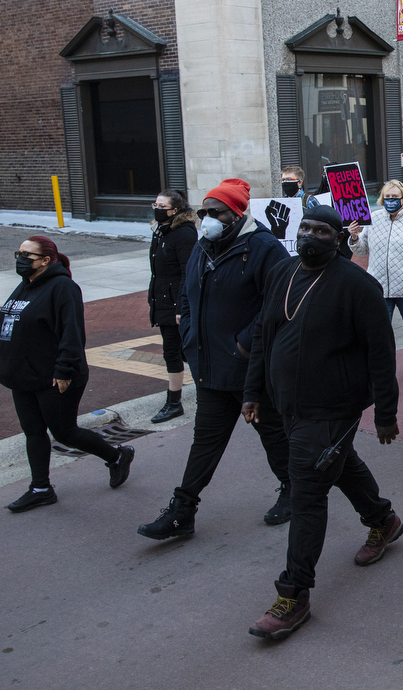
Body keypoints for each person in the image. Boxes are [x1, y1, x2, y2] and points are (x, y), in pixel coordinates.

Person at [242, 205, 402, 640]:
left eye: (321, 230)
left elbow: (381, 354)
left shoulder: (358, 286)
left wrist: (386, 413)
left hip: (333, 405)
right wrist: (253, 391)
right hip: (284, 402)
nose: (310, 235)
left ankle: (293, 594)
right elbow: (263, 333)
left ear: (338, 238)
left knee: (307, 493)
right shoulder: (284, 272)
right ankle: (383, 519)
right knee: (337, 463)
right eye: (305, 228)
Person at [138, 179, 292, 540]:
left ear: (237, 213)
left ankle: (292, 488)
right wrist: (190, 334)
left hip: (252, 371)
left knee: (272, 434)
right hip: (208, 367)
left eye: (216, 212)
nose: (208, 219)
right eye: (204, 212)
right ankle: (183, 510)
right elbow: (189, 294)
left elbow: (278, 304)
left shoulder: (264, 248)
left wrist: (244, 346)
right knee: (205, 441)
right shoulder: (202, 246)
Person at [0, 236, 135, 512]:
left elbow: (72, 333)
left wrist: (64, 369)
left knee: (65, 432)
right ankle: (41, 488)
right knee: (33, 431)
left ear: (45, 260)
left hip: (56, 376)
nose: (20, 259)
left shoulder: (63, 288)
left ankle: (117, 456)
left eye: (27, 255)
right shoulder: (26, 285)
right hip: (24, 375)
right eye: (18, 252)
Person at [349, 180, 403, 382]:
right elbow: (362, 249)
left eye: (394, 197)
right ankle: (380, 367)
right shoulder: (374, 219)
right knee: (378, 330)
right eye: (387, 197)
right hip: (378, 287)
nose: (390, 201)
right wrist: (354, 237)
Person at [148, 189, 197, 423]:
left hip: (175, 303)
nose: (157, 209)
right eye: (155, 205)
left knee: (183, 351)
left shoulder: (184, 234)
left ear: (175, 210)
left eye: (161, 206)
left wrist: (180, 307)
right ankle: (176, 401)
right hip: (163, 301)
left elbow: (187, 272)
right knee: (174, 352)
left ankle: (175, 402)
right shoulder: (161, 232)